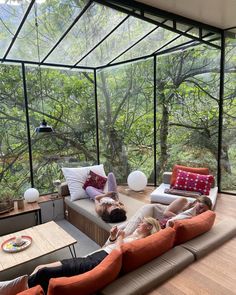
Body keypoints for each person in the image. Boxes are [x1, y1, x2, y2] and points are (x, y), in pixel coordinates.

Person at [28, 217, 160, 293]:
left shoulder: (141, 242)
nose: (139, 223)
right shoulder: (132, 236)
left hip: (97, 261)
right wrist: (113, 237)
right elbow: (106, 247)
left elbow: (119, 253)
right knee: (40, 267)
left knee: (43, 272)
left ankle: (20, 288)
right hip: (94, 256)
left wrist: (120, 238)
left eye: (142, 222)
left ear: (148, 227)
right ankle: (23, 287)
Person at [118, 195, 213, 235]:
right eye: (200, 207)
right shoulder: (183, 201)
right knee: (129, 232)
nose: (200, 211)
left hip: (154, 221)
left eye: (203, 211)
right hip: (151, 210)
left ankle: (115, 231)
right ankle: (108, 247)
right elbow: (166, 213)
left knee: (125, 226)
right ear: (196, 201)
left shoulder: (193, 214)